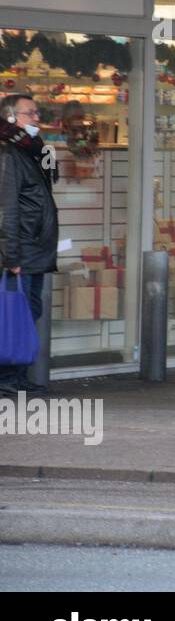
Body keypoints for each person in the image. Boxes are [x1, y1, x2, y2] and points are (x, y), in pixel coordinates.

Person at [0, 94, 59, 395]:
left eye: (37, 112)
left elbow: (53, 178)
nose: (37, 117)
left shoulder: (31, 150)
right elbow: (6, 208)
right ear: (11, 117)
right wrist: (11, 255)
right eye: (30, 113)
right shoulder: (9, 155)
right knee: (13, 311)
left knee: (29, 310)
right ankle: (6, 376)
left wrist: (44, 148)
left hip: (35, 249)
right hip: (21, 249)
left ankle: (17, 373)